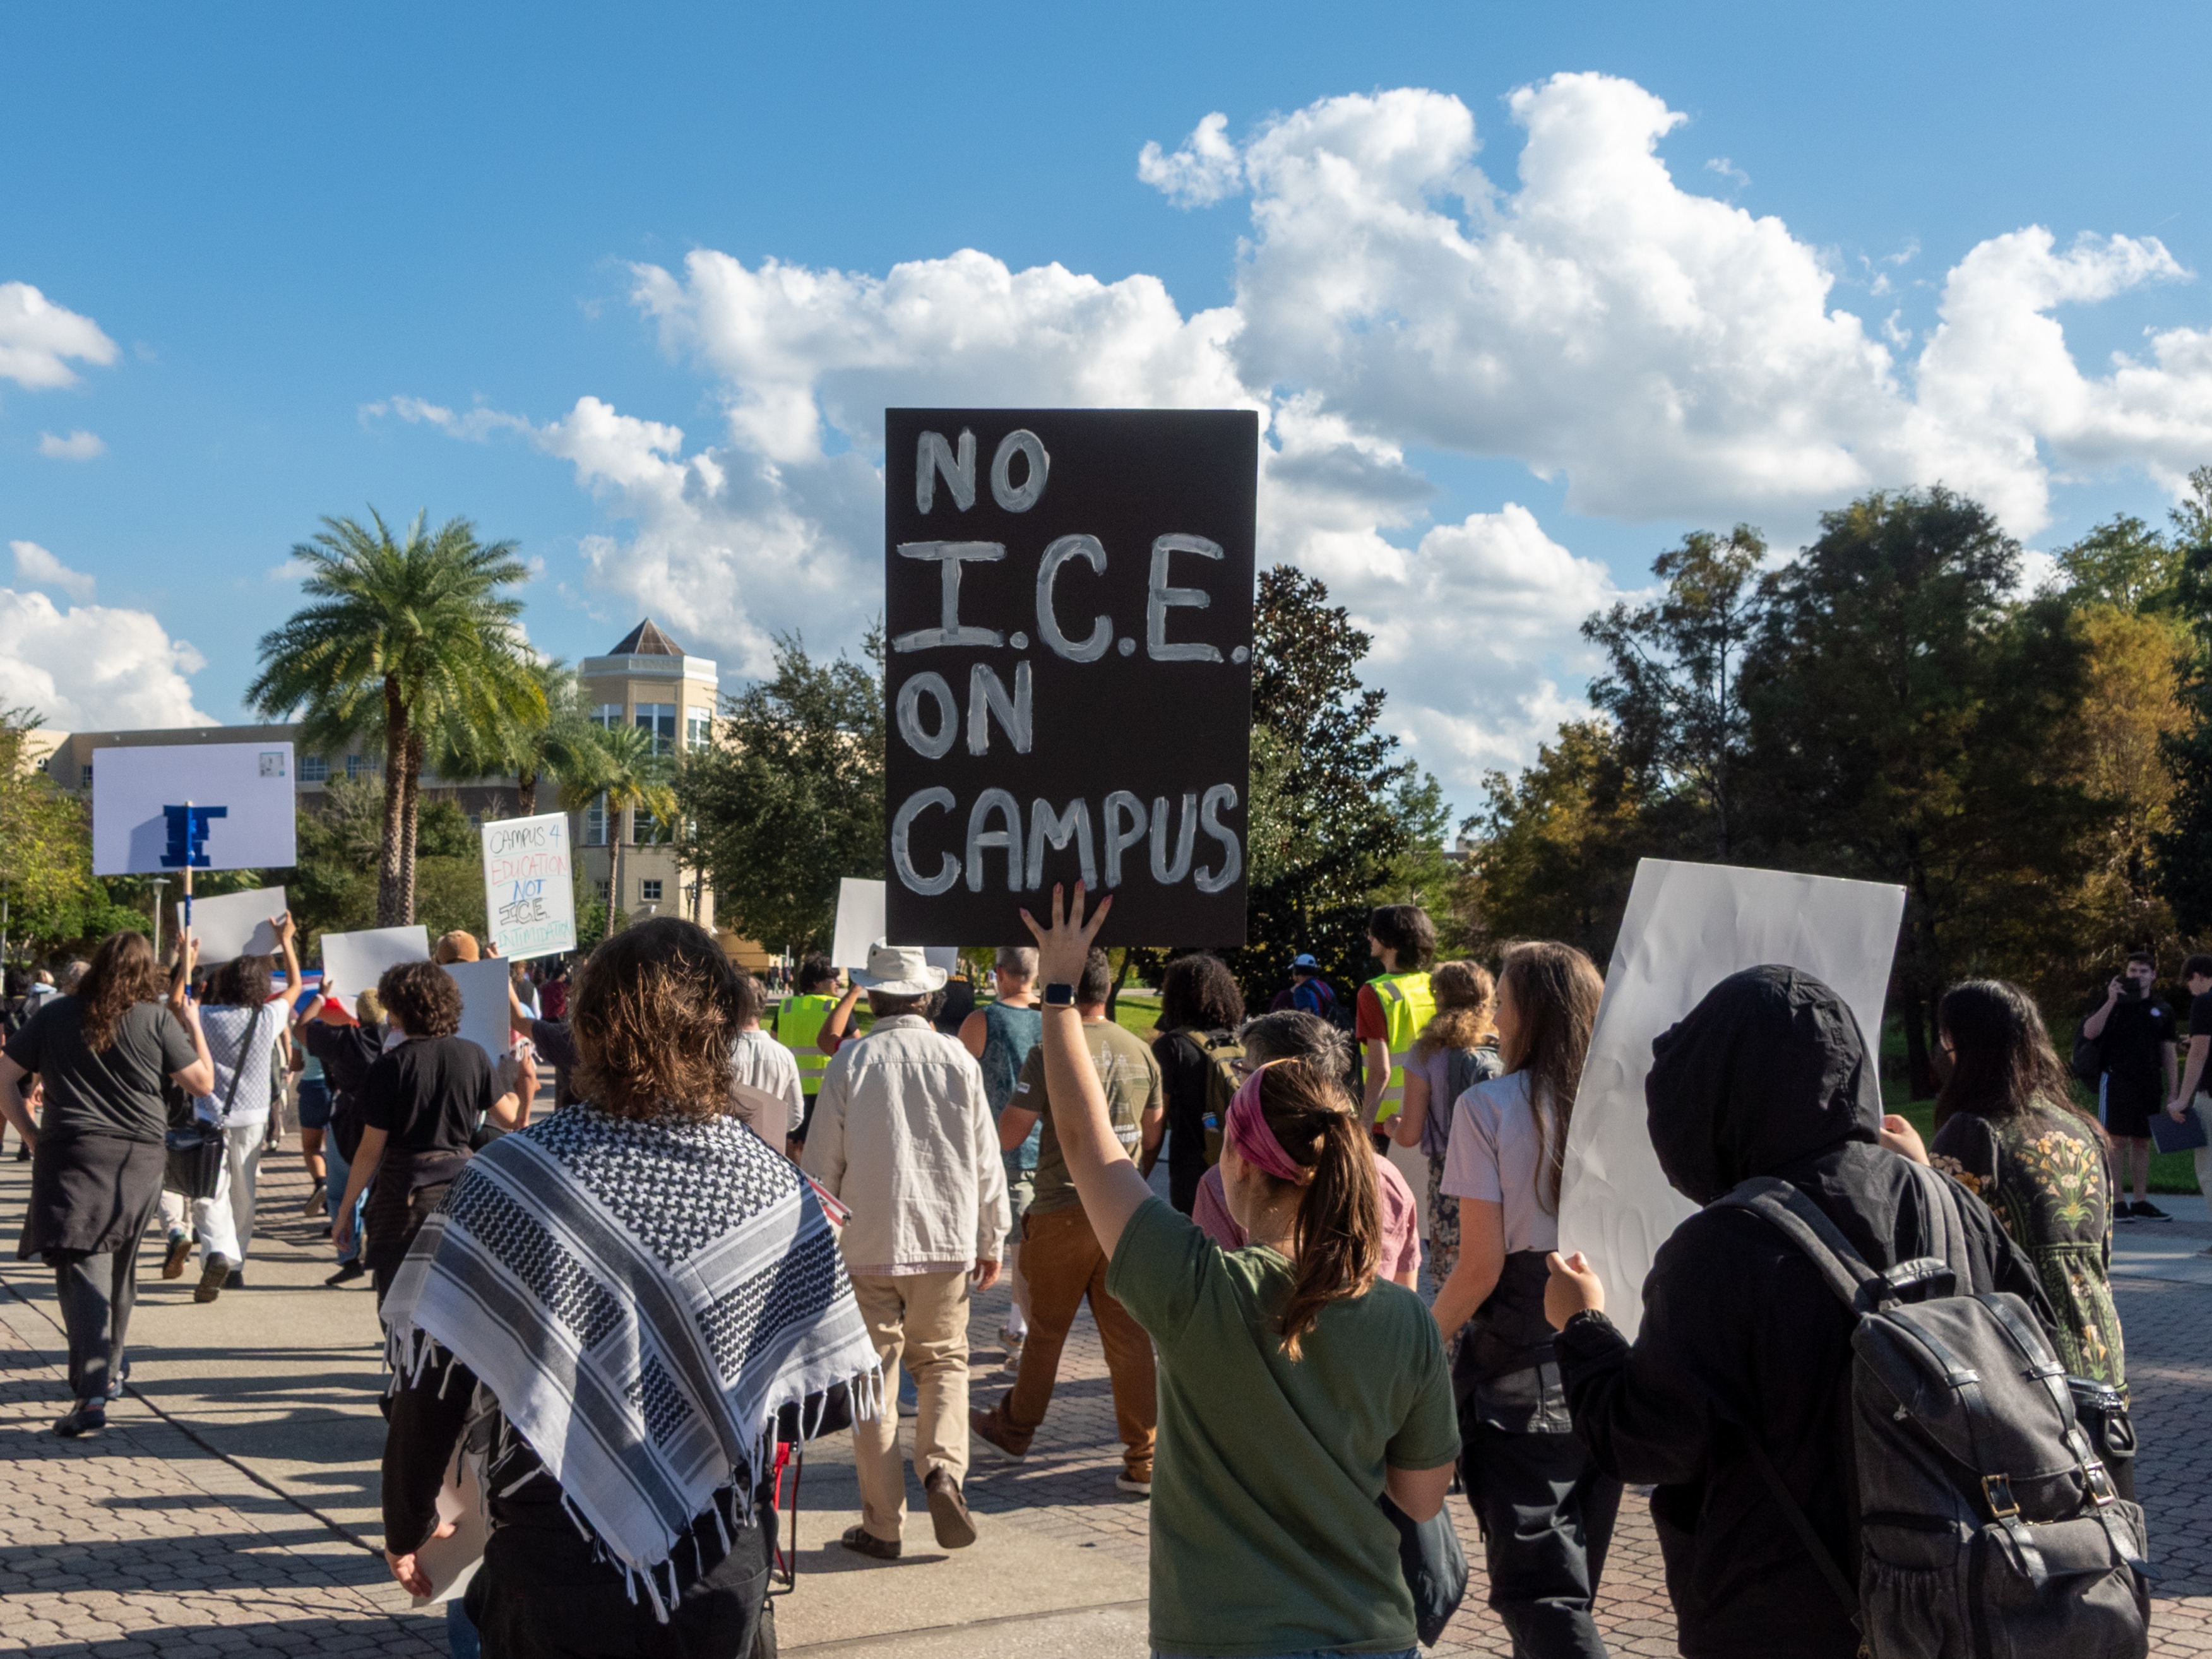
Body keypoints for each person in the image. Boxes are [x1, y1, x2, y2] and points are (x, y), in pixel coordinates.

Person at [379, 917, 880, 1658]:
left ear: (589, 1026)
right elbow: (827, 1398)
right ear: (721, 1032)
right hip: (716, 1558)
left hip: (551, 1553)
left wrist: (408, 1519)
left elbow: (435, 1379)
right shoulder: (779, 1190)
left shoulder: (511, 1178)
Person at [1545, 965, 2056, 1659]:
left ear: (1719, 1092)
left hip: (1783, 1615)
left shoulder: (1722, 1246)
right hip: (1960, 1603)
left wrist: (1582, 1329)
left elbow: (1644, 1440)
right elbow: (2042, 1355)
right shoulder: (1948, 1202)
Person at [1021, 883, 1459, 1656]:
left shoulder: (1195, 1288)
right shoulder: (1405, 1323)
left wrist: (1059, 990)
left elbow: (1091, 1146)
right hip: (1372, 1638)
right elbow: (1421, 1497)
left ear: (1236, 1161)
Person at [1424, 942, 1615, 1656]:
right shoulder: (1629, 1106)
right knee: (1577, 1579)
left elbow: (1478, 1267)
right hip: (1613, 1354)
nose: (1494, 1017)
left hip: (1520, 1369)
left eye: (1502, 1001)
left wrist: (1416, 1340)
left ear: (1530, 1013)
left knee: (1540, 1590)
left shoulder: (1490, 1107)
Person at [800, 941, 1008, 1560]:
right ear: (927, 996)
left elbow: (820, 1171)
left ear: (875, 997)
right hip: (944, 1241)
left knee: (873, 1383)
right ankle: (943, 1471)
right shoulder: (958, 1060)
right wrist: (991, 1235)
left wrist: (816, 1248)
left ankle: (883, 1523)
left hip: (866, 1244)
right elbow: (985, 1161)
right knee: (944, 1363)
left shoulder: (852, 1062)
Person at [0, 929, 215, 1436]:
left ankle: (93, 1392)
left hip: (70, 1155)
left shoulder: (54, 1015)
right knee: (119, 1271)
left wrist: (29, 1133)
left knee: (82, 1273)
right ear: (146, 973)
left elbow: (4, 1074)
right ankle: (109, 1371)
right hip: (140, 1160)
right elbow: (203, 1083)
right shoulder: (157, 1019)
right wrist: (194, 1021)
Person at [972, 948, 1165, 1494]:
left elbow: (1011, 1132)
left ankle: (1013, 1432)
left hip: (1060, 1207)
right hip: (1126, 1214)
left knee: (1046, 1335)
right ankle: (1144, 1459)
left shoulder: (1050, 1048)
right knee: (1129, 1340)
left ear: (1068, 988)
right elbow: (1153, 1135)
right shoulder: (1140, 1051)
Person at [1901, 980, 2126, 1391]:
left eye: (1946, 1039)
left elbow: (1944, 1245)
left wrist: (1915, 1164)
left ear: (1964, 1045)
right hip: (2102, 1362)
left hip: (2027, 1372)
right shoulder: (2083, 1127)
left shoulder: (1974, 1132)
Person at [1189, 1012, 1425, 1291]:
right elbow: (1403, 1298)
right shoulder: (1387, 1178)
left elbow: (1215, 1300)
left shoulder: (1228, 1182)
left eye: (1243, 1071)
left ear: (1260, 1087)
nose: (1238, 1084)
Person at [333, 961, 518, 1305]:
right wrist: (518, 1085)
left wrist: (345, 1210)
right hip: (460, 1194)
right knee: (451, 1303)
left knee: (397, 1302)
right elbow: (509, 1117)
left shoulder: (388, 1067)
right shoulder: (473, 1055)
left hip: (401, 1197)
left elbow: (370, 1151)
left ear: (398, 1012)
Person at [159, 913, 302, 1303]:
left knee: (210, 1192)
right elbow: (294, 986)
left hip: (209, 1116)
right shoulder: (268, 1016)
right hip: (254, 1117)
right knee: (245, 1191)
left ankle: (219, 1251)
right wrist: (285, 940)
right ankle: (235, 1262)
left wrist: (186, 961)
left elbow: (174, 1006)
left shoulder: (204, 1017)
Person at [958, 946, 1044, 1364]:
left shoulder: (984, 1020)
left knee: (1016, 1249)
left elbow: (955, 1081)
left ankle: (1023, 1335)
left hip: (999, 1145)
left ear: (998, 974)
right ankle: (1019, 1328)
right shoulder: (1055, 1018)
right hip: (1049, 1146)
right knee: (1030, 1248)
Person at [1393, 960, 1502, 1281]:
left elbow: (1410, 1134)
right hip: (1500, 1168)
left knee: (1453, 1268)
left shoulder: (1426, 1053)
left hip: (1450, 1173)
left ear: (1440, 998)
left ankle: (1453, 1331)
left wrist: (1393, 1129)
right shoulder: (1500, 1045)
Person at [298, 986, 385, 1287]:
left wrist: (321, 997)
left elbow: (301, 1028)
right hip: (386, 1125)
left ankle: (348, 1257)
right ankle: (379, 1260)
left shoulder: (344, 1040)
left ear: (357, 1013)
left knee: (338, 1194)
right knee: (379, 1193)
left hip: (347, 1122)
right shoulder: (396, 1040)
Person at [2081, 950, 2176, 1220]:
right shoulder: (2112, 1003)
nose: (2137, 976)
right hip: (2117, 1077)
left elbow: (2168, 1051)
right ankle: (2117, 1200)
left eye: (2143, 971)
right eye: (2133, 971)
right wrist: (2112, 999)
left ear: (2153, 975)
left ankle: (2141, 1200)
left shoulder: (2162, 1009)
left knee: (2142, 1141)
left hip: (2149, 1080)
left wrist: (2174, 1090)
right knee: (2115, 1140)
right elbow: (2089, 1032)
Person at [1151, 953, 1246, 1215]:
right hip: (1241, 1170)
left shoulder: (1172, 1047)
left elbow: (1155, 1127)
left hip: (1192, 1175)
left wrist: (1141, 1173)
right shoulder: (1242, 1043)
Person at [1359, 904, 1437, 1134]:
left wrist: (1363, 1129)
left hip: (1387, 1123)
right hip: (1432, 1117)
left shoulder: (1375, 992)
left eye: (1374, 932)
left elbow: (1380, 1072)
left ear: (1390, 942)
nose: (1369, 937)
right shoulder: (1436, 986)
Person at [727, 969, 804, 1153]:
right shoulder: (784, 1055)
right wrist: (770, 1132)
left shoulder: (721, 1053)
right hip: (769, 1149)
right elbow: (796, 1113)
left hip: (730, 1148)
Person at [773, 954, 840, 1143]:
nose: (839, 982)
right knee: (821, 1144)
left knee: (791, 1142)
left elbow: (774, 1040)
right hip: (823, 1087)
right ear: (817, 983)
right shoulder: (834, 1006)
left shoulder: (786, 1006)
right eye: (833, 978)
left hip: (790, 1084)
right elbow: (855, 1045)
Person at [1269, 952, 1338, 1022]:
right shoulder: (1325, 987)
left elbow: (1306, 1019)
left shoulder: (1301, 991)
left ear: (1296, 971)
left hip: (1315, 1031)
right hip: (1329, 1029)